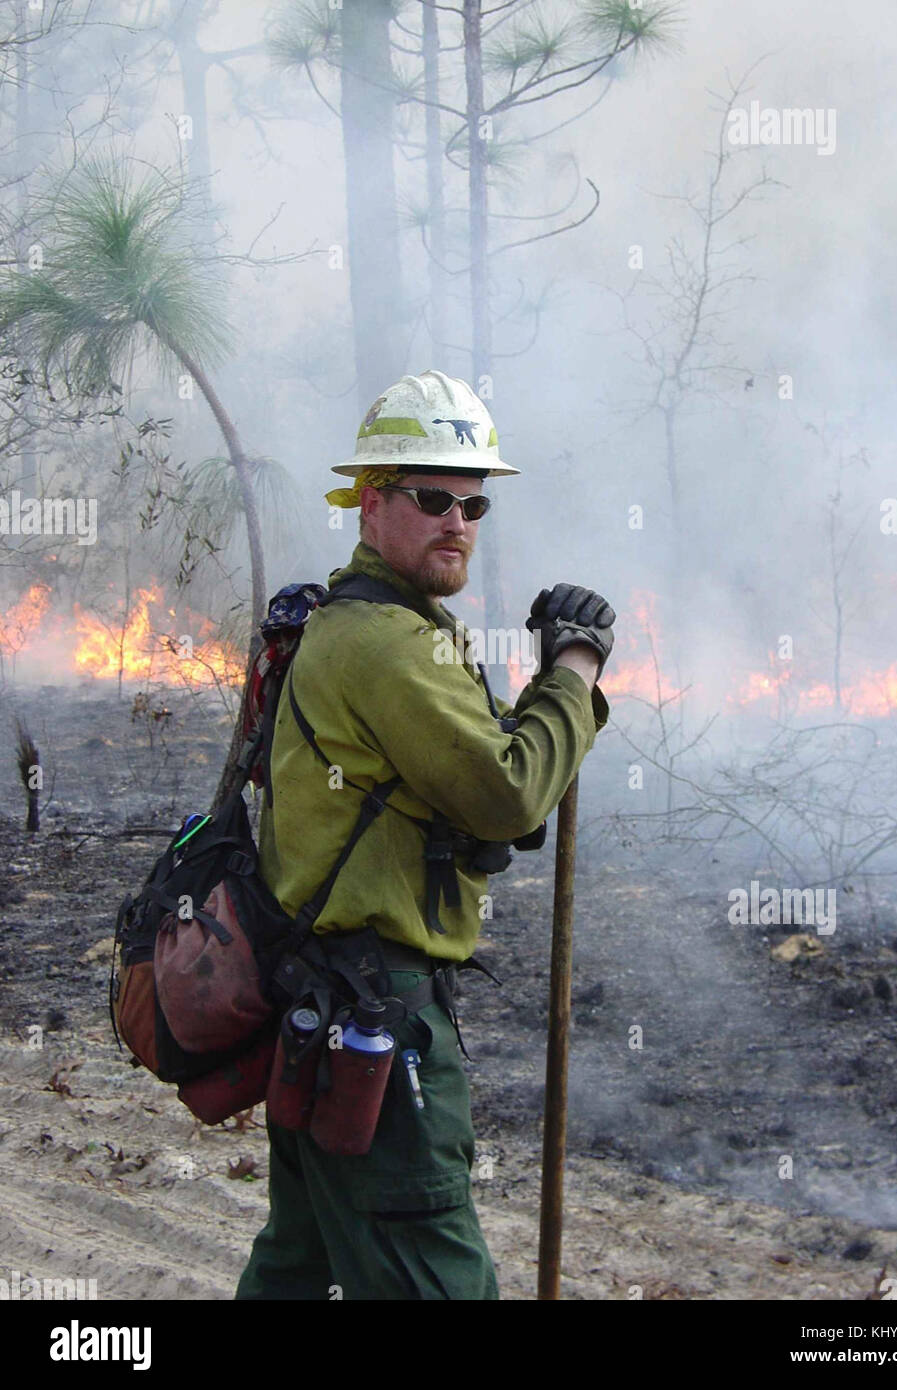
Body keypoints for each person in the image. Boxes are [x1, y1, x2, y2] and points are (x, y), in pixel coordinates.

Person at [236, 370, 614, 1300]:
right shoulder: (386, 643)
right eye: (432, 498)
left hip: (322, 1008)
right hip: (379, 1020)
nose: (459, 520)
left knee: (304, 1266)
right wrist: (572, 670)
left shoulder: (365, 621)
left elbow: (471, 777)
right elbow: (511, 793)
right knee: (431, 1277)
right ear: (372, 506)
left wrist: (532, 700)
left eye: (474, 502)